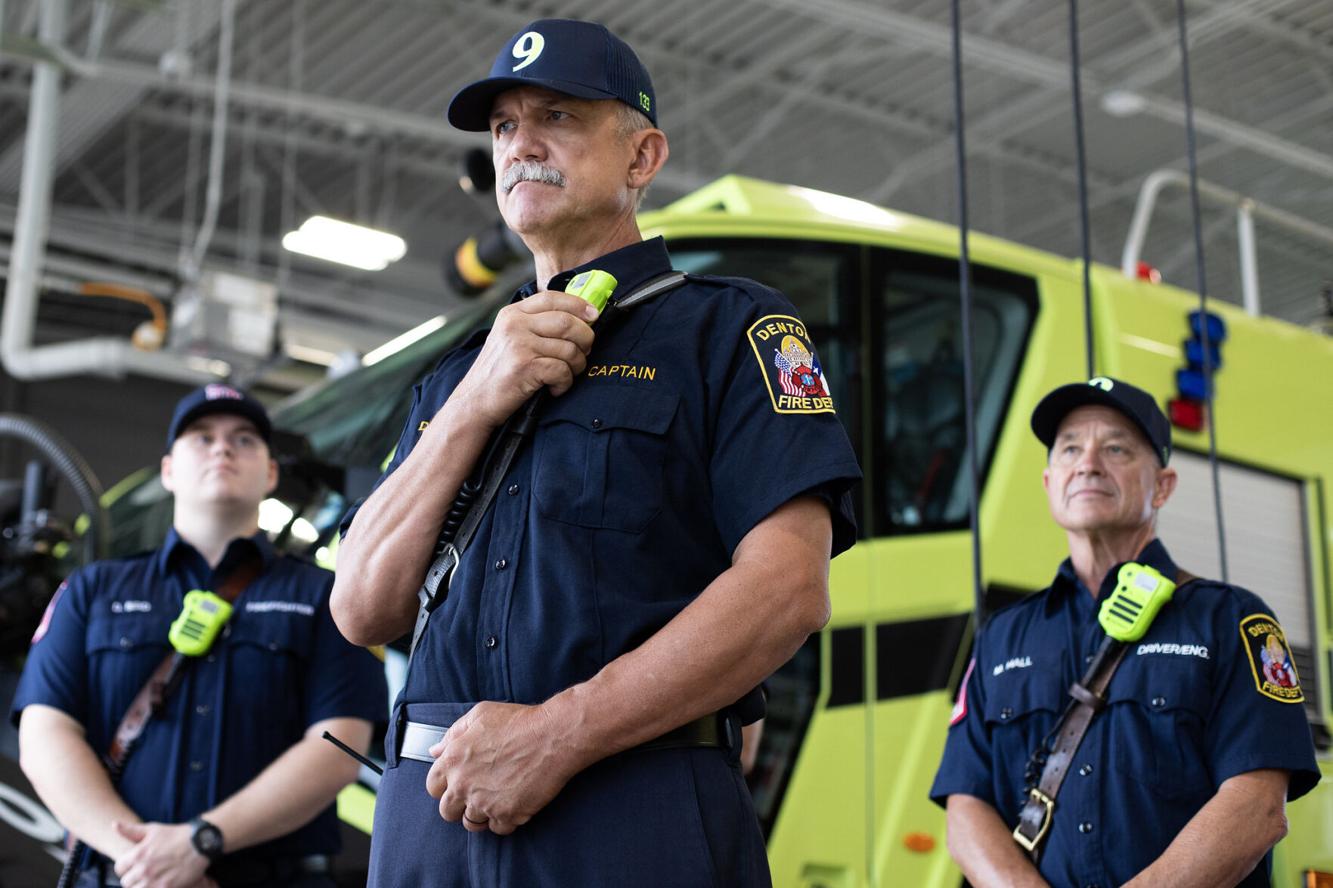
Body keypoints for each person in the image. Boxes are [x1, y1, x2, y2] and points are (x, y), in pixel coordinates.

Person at [331, 17, 861, 887]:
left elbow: (787, 589)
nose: (520, 145)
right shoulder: (454, 376)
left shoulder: (731, 328)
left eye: (559, 118)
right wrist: (475, 401)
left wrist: (558, 734)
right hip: (429, 819)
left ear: (642, 157)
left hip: (632, 805)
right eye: (503, 126)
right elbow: (361, 608)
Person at [930, 377, 1320, 888]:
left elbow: (1257, 807)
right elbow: (966, 808)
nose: (1088, 463)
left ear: (1163, 486)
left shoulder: (1232, 621)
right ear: (1050, 482)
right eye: (1070, 448)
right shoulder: (1003, 637)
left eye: (1116, 448)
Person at [12, 384, 387, 888]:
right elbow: (44, 734)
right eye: (201, 437)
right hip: (121, 873)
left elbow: (340, 743)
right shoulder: (92, 589)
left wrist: (201, 842)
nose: (222, 448)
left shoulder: (330, 597)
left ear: (271, 472)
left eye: (244, 439)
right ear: (168, 469)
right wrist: (146, 862)